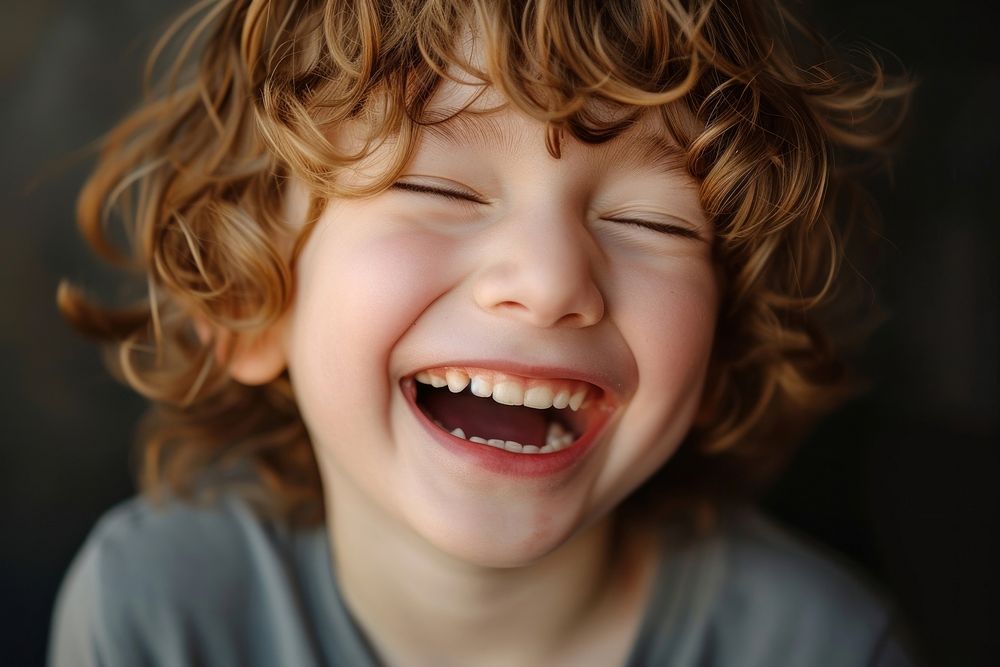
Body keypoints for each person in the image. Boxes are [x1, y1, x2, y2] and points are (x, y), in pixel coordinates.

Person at [48, 0, 915, 665]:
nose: (549, 284)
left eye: (654, 221)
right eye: (440, 189)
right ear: (250, 302)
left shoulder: (822, 645)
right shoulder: (153, 610)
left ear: (723, 347)